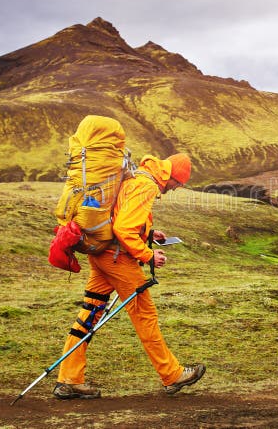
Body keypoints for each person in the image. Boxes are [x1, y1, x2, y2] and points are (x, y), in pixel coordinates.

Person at [53, 153, 206, 399]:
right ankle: (172, 374)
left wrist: (149, 233)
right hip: (118, 260)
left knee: (90, 313)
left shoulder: (136, 177)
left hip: (102, 254)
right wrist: (148, 256)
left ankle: (69, 379)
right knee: (145, 315)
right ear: (172, 177)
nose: (176, 189)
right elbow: (123, 228)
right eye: (178, 184)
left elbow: (120, 215)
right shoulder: (146, 185)